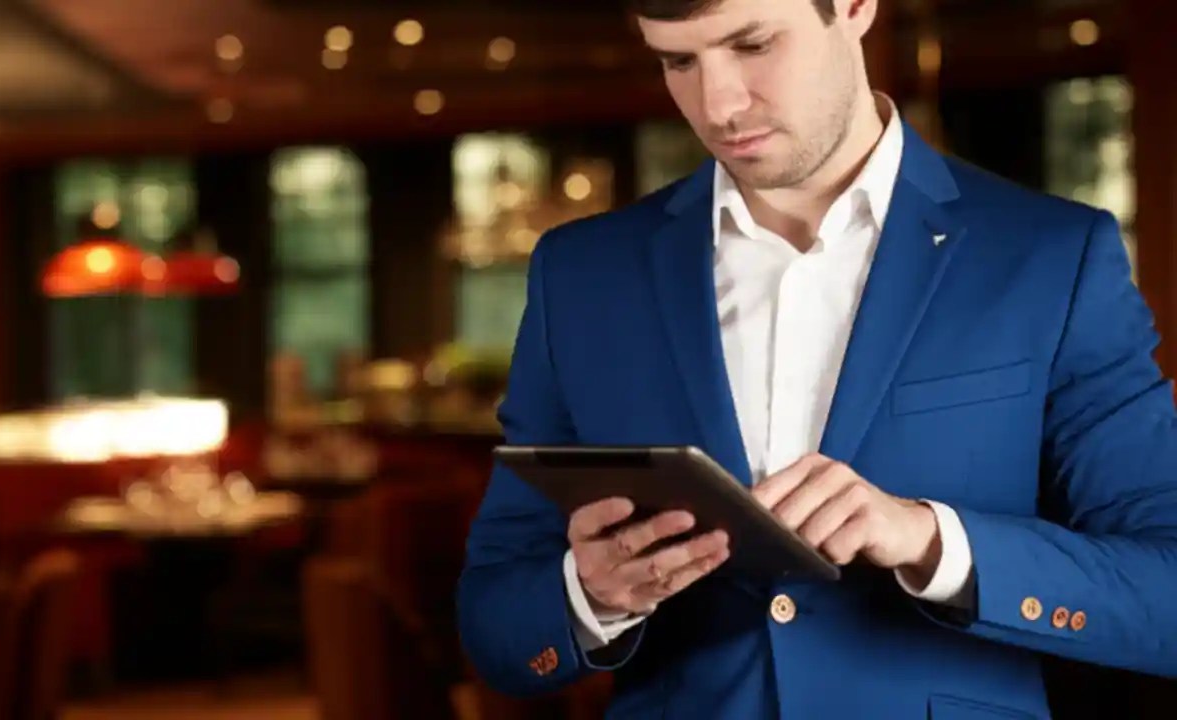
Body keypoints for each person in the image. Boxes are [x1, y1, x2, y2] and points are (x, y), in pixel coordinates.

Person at [456, 0, 1177, 717]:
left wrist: (928, 539)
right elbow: (495, 630)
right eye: (679, 61)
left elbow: (1165, 595)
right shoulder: (581, 275)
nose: (720, 104)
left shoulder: (1050, 258)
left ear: (858, 7)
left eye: (754, 44)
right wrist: (592, 595)